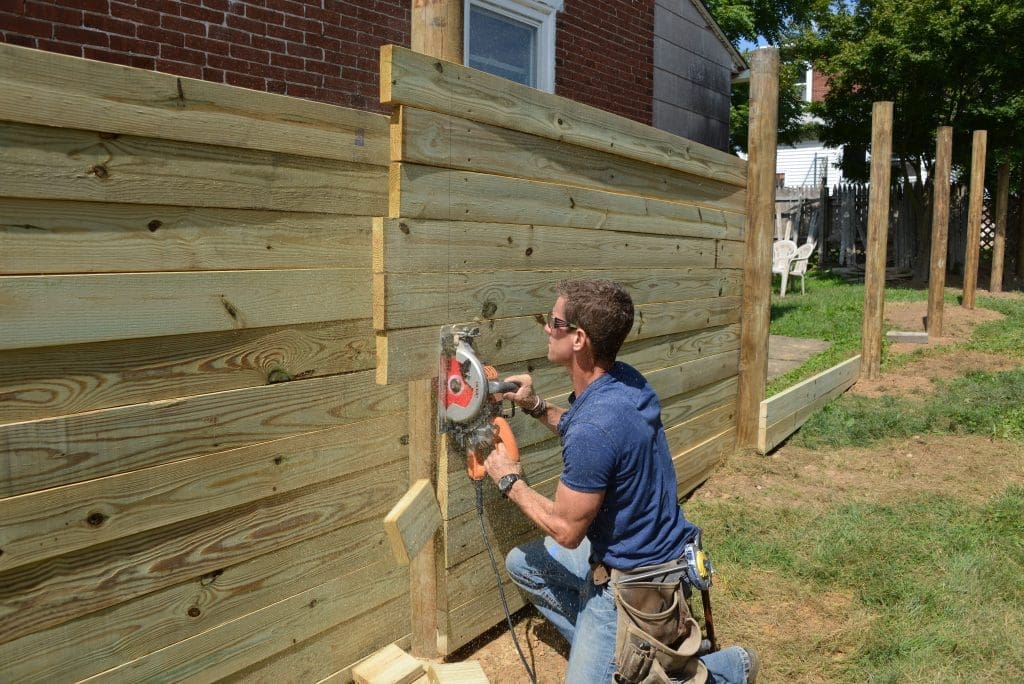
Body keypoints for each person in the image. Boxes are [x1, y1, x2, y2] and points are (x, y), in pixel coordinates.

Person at [484, 279, 758, 684]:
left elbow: (565, 531)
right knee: (522, 564)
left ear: (578, 339)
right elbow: (597, 438)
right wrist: (535, 405)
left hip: (635, 583)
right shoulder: (624, 381)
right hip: (653, 554)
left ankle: (725, 669)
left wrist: (510, 481)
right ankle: (624, 662)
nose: (545, 328)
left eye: (553, 321)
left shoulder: (596, 425)